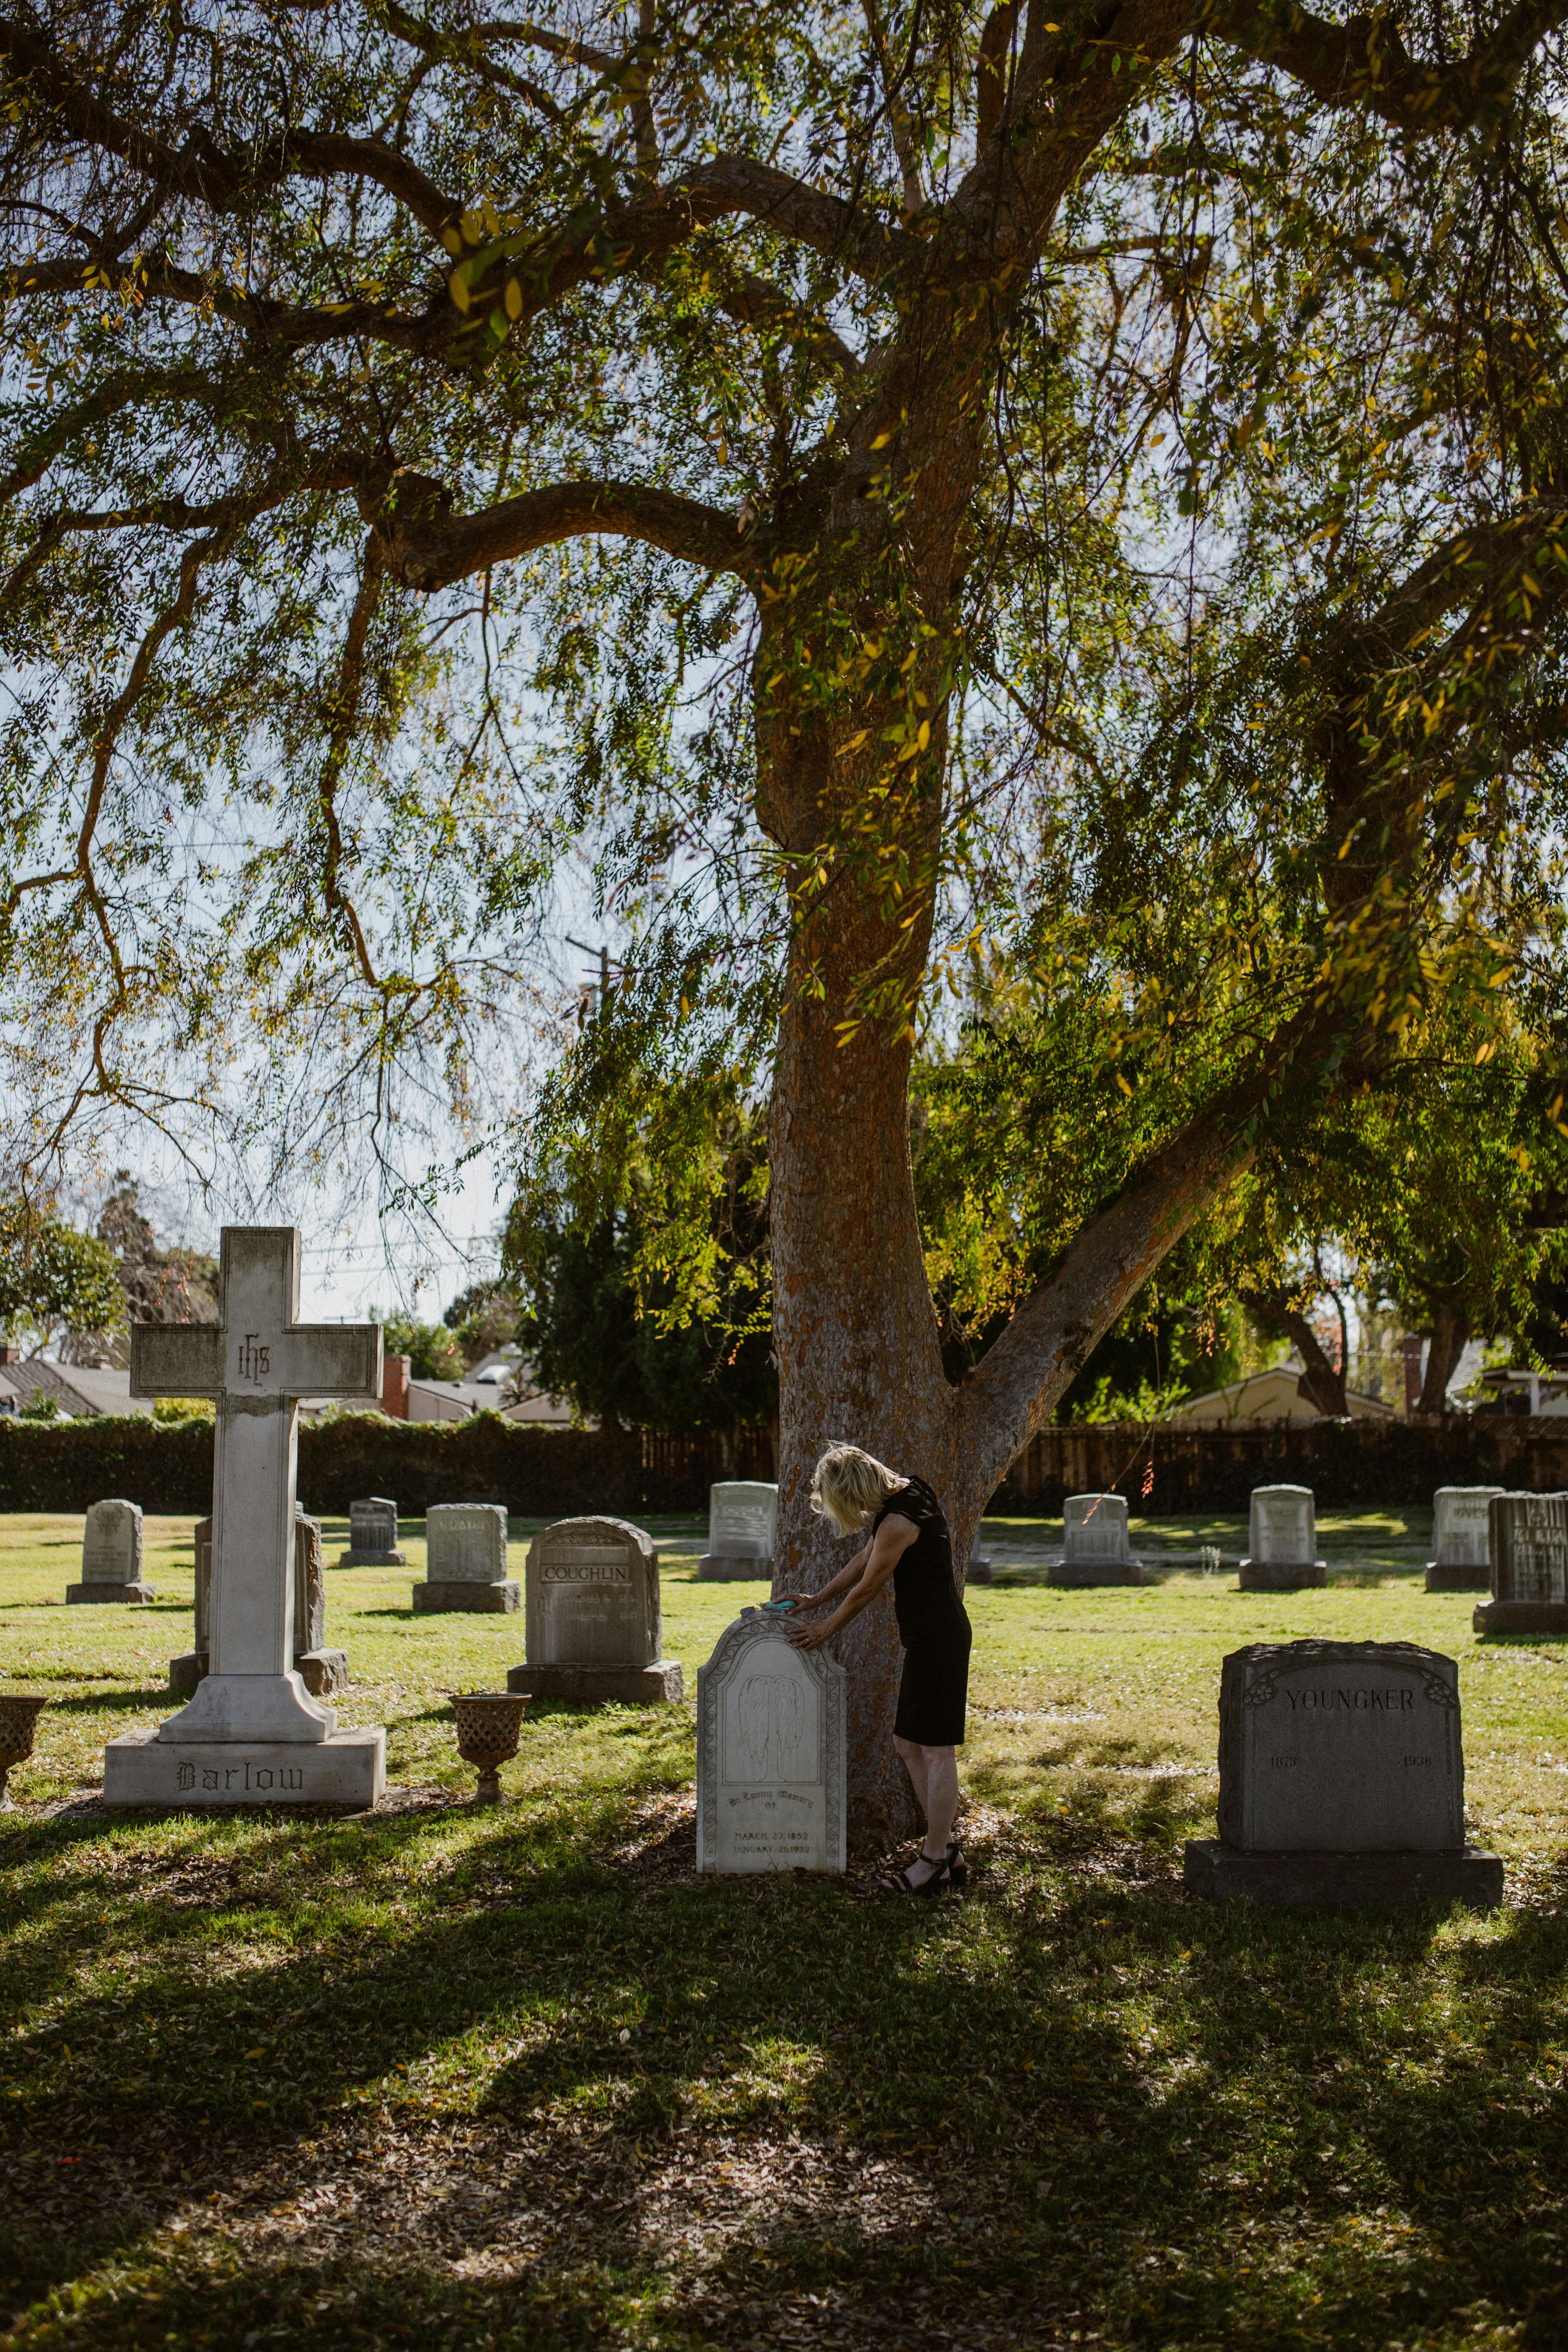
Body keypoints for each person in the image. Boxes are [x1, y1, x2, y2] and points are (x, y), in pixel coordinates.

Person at [784, 1441, 972, 1894]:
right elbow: (861, 1560)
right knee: (907, 1744)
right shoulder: (907, 1494)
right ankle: (949, 1855)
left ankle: (932, 1863)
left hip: (941, 1641)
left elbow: (868, 1588)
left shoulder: (900, 1520)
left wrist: (825, 1627)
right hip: (927, 1640)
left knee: (937, 1751)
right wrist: (818, 1599)